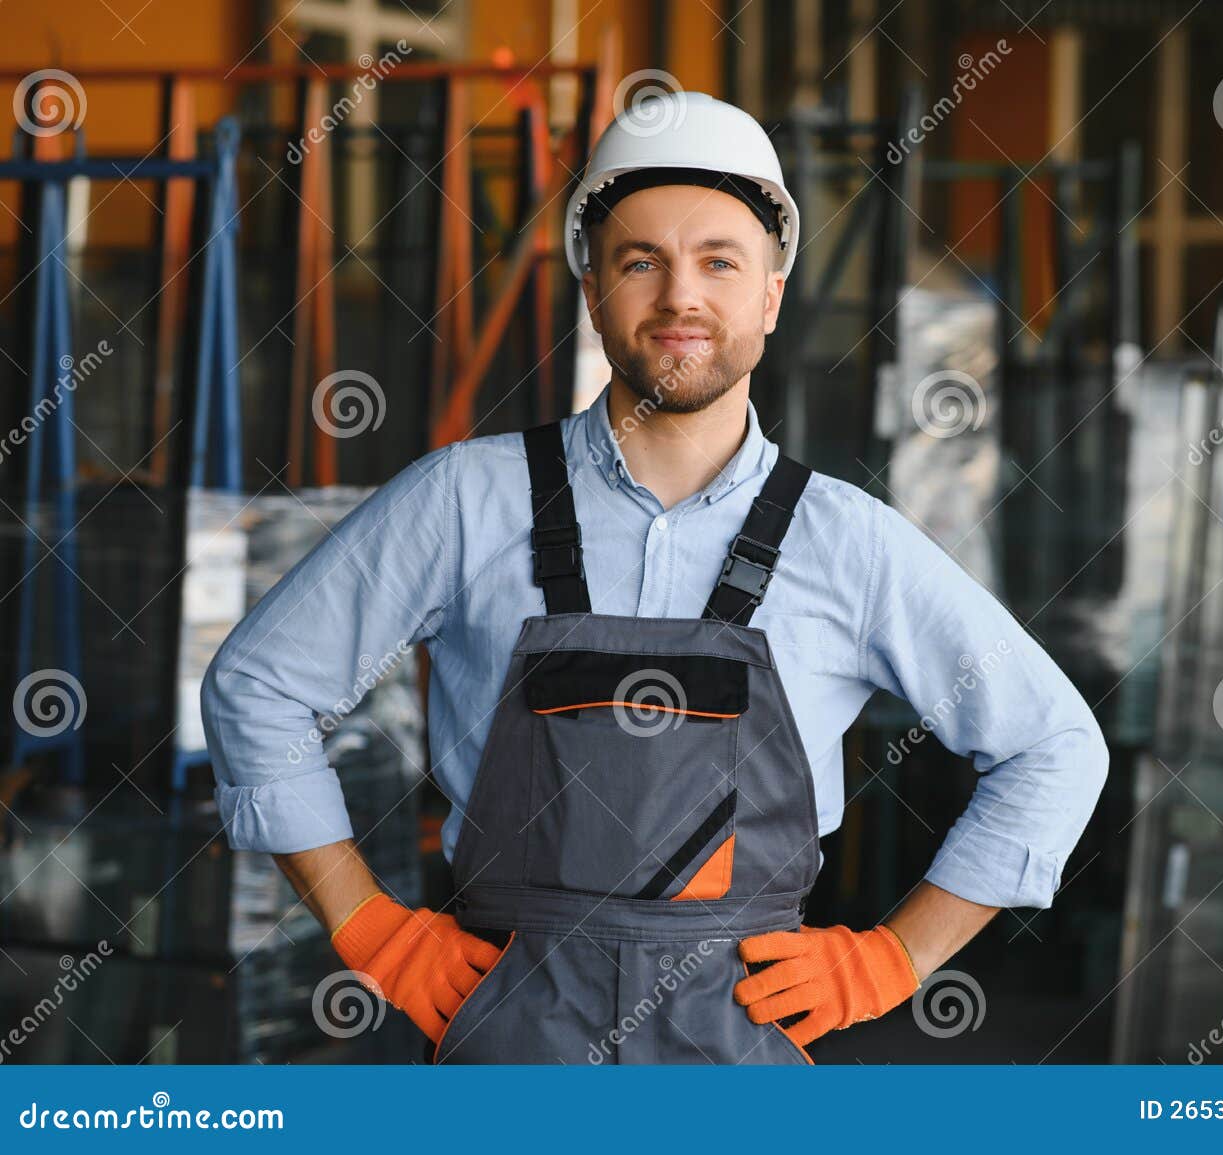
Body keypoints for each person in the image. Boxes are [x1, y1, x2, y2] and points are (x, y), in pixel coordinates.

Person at [201, 91, 1109, 1064]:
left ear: (769, 293)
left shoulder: (849, 543)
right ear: (594, 291)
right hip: (510, 1028)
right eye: (642, 262)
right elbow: (258, 688)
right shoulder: (466, 500)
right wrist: (366, 926)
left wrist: (896, 958)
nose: (682, 296)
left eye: (720, 261)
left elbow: (1053, 747)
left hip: (740, 1037)